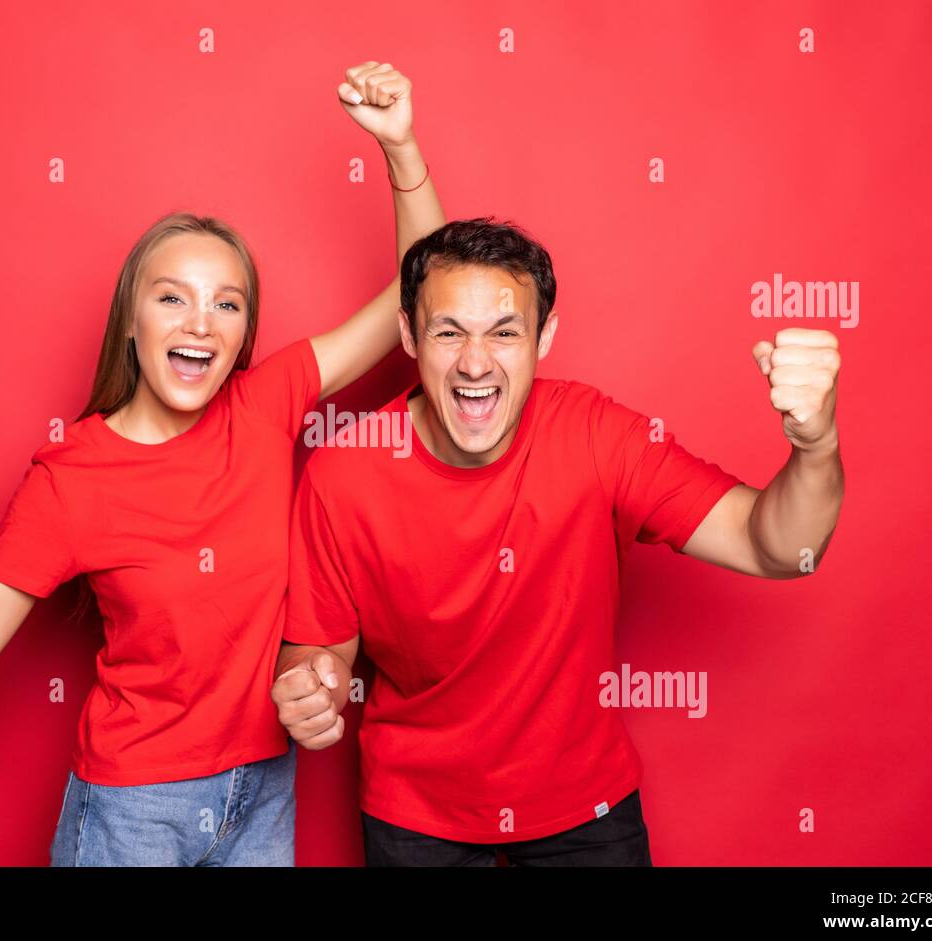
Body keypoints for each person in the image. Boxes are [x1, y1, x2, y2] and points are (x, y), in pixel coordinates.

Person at [0, 61, 445, 867]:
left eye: (227, 304)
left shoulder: (266, 404)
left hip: (265, 789)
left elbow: (420, 297)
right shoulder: (71, 478)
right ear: (131, 321)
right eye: (172, 297)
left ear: (243, 332)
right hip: (132, 814)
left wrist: (400, 149)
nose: (201, 321)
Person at [272, 217, 844, 866]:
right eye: (448, 331)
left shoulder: (598, 436)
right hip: (415, 815)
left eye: (505, 332)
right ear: (408, 333)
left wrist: (815, 446)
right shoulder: (343, 472)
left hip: (585, 807)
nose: (475, 361)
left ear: (545, 336)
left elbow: (777, 548)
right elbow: (319, 650)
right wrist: (308, 682)